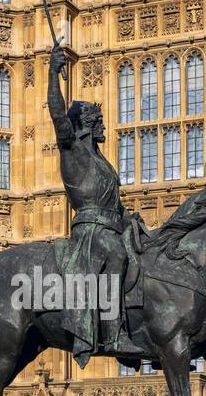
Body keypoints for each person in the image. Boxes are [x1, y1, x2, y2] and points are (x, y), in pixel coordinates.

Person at [47, 44, 144, 366]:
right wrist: (52, 72)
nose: (103, 124)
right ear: (86, 122)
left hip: (113, 224)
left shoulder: (100, 159)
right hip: (91, 229)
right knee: (116, 255)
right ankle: (114, 334)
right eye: (98, 119)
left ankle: (148, 333)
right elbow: (57, 113)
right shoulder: (71, 148)